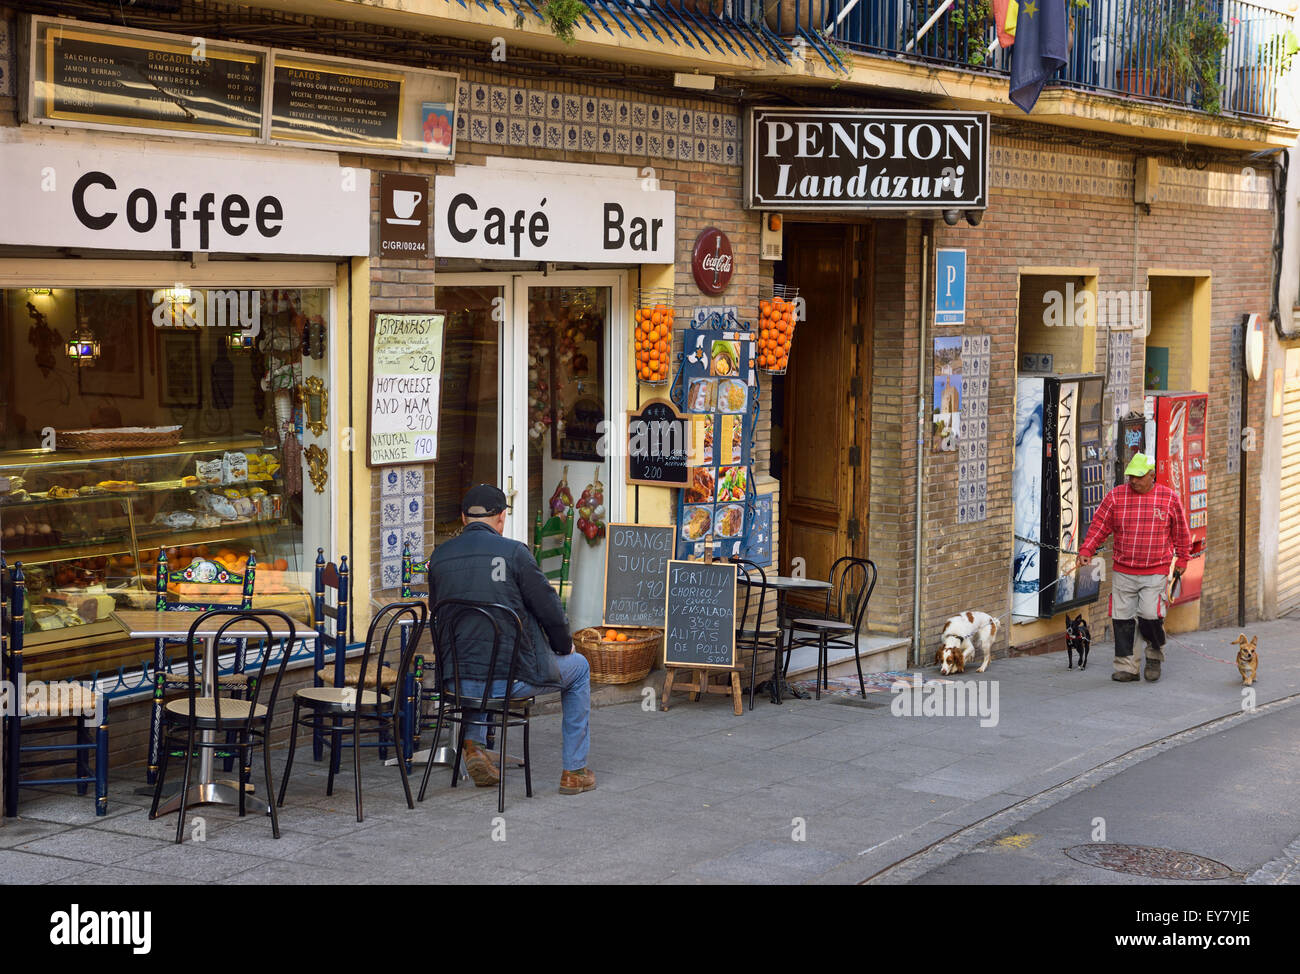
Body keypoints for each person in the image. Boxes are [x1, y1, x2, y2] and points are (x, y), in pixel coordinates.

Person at [427, 484, 594, 794]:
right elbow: (549, 608)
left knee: (477, 653)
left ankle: (474, 745)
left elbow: (437, 613)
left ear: (463, 518)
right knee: (580, 668)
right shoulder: (515, 553)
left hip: (456, 681)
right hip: (508, 680)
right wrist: (563, 646)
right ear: (502, 518)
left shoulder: (440, 557)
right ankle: (575, 770)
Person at [1077, 453, 1192, 683]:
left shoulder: (1168, 498)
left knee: (1150, 616)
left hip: (1155, 569)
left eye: (1139, 477)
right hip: (1124, 569)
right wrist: (1087, 550)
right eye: (1130, 476)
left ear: (1152, 476)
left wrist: (1182, 559)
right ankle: (1127, 667)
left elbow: (1180, 531)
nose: (1133, 481)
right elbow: (1099, 525)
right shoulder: (1116, 496)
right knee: (1122, 620)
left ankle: (1154, 655)